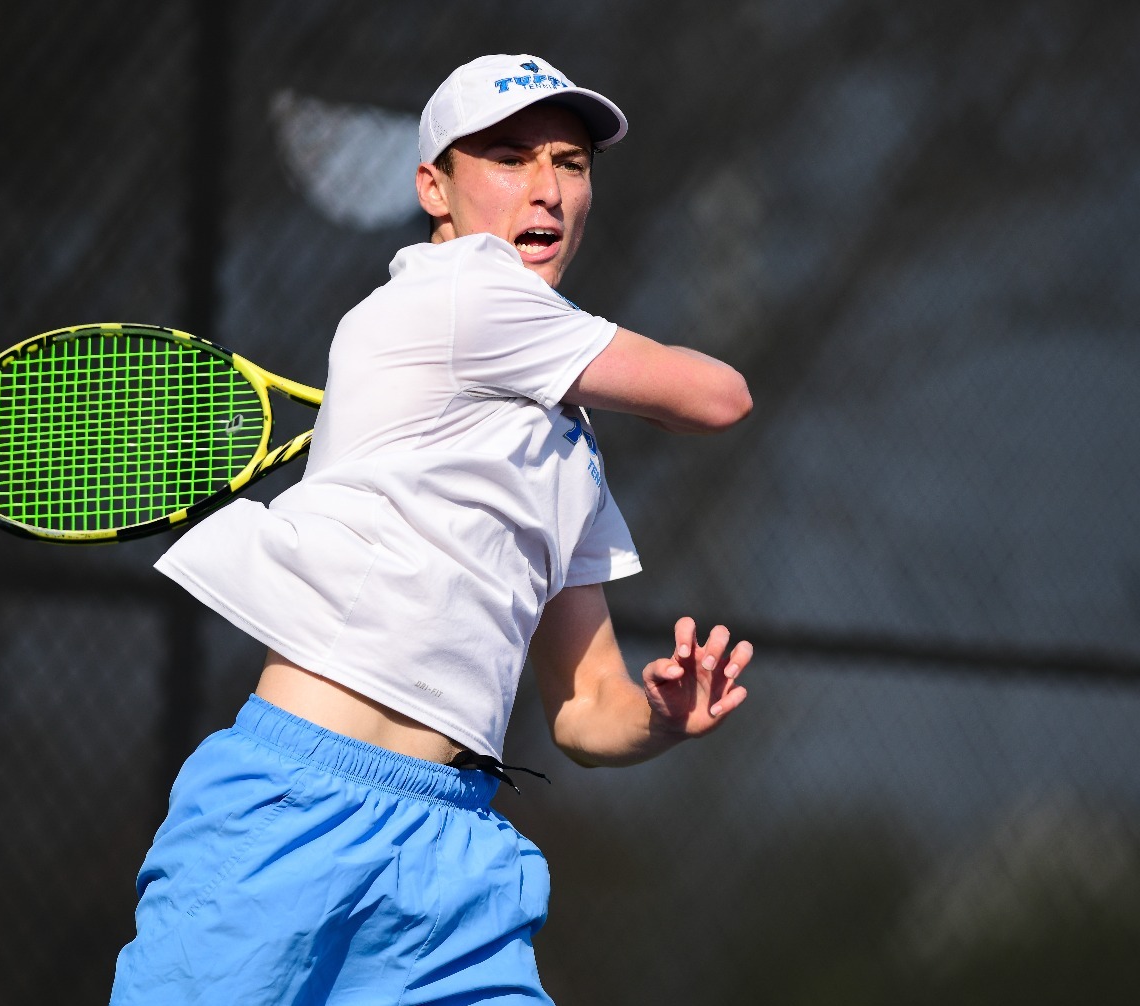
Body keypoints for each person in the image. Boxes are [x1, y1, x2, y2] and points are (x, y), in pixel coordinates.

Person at [110, 53, 754, 1005]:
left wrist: (658, 719)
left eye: (570, 163)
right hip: (293, 813)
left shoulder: (565, 451)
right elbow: (716, 394)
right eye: (507, 156)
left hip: (453, 859)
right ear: (433, 189)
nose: (546, 187)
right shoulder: (466, 289)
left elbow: (583, 710)